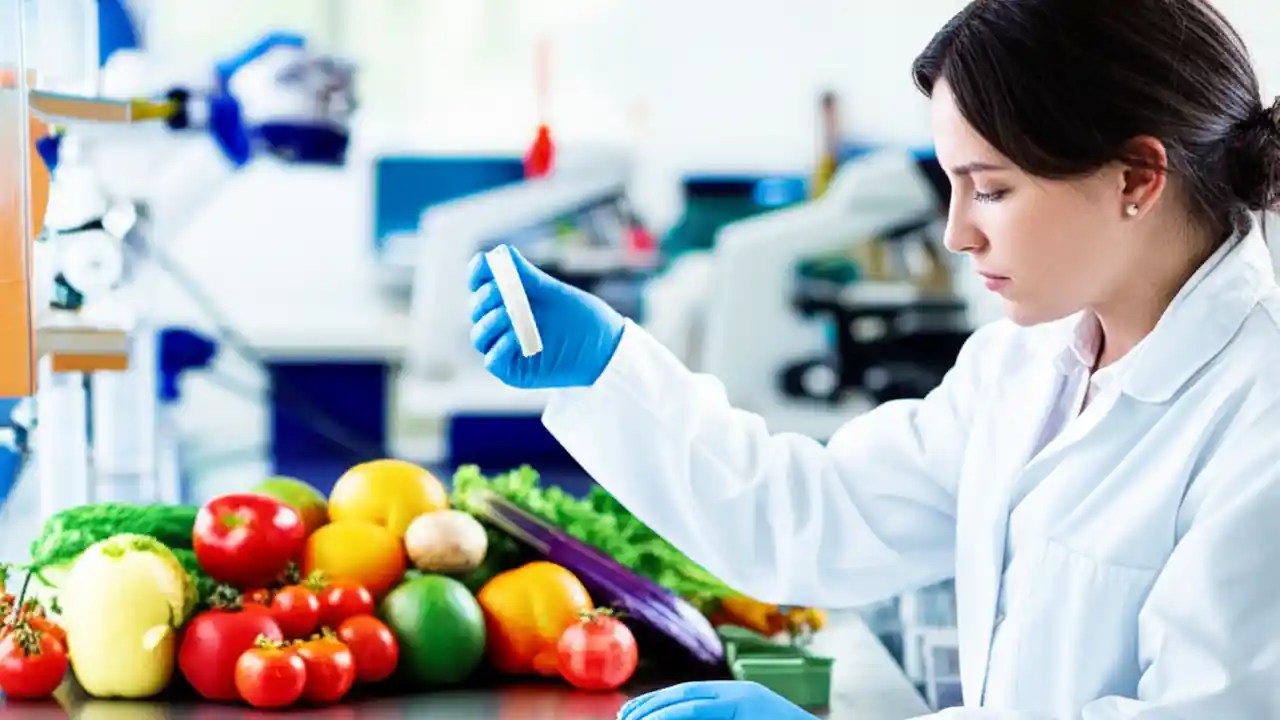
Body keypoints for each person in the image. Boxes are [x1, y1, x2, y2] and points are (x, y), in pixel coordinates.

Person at [467, 0, 1280, 717]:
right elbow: (816, 516)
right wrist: (609, 370)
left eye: (990, 190)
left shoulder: (1258, 415)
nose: (958, 232)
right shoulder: (1025, 363)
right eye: (952, 187)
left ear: (1136, 178)